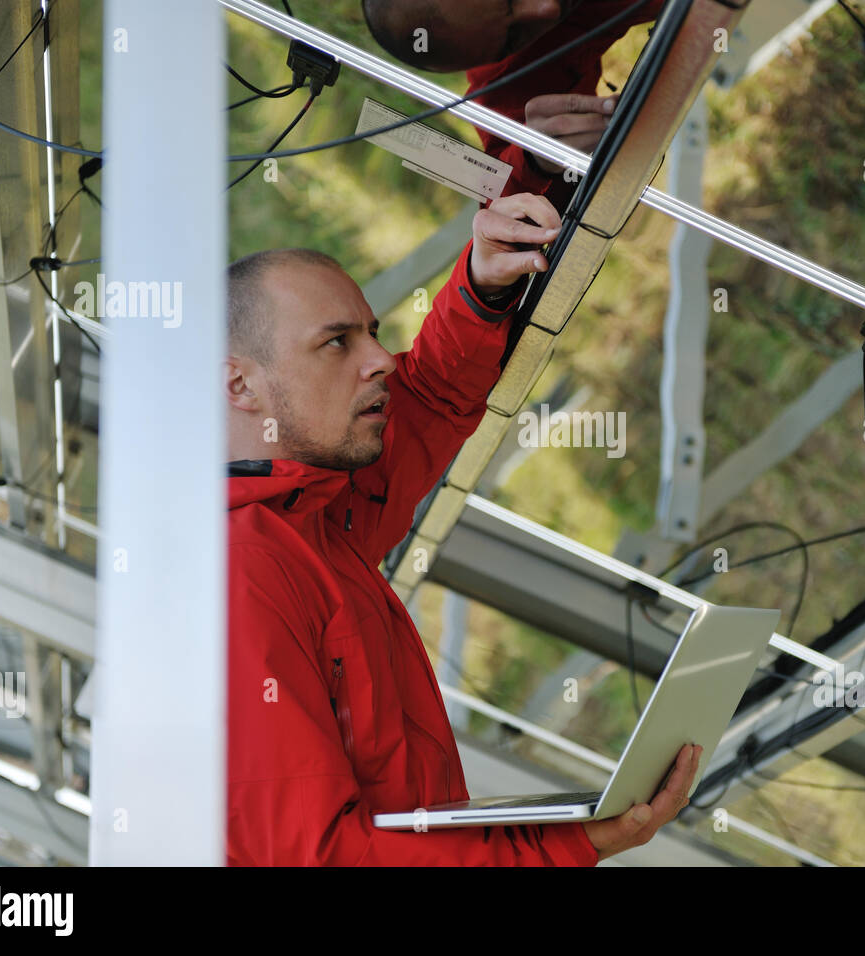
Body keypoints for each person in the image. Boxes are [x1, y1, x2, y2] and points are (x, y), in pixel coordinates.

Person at [223, 191, 699, 865]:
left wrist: (482, 287)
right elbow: (324, 856)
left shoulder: (318, 514)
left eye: (372, 332)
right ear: (240, 386)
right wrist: (570, 845)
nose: (378, 358)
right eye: (336, 342)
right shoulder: (239, 576)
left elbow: (430, 399)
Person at [363, 0, 665, 209]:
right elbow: (501, 194)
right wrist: (536, 161)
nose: (547, 8)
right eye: (513, 37)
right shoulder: (508, 78)